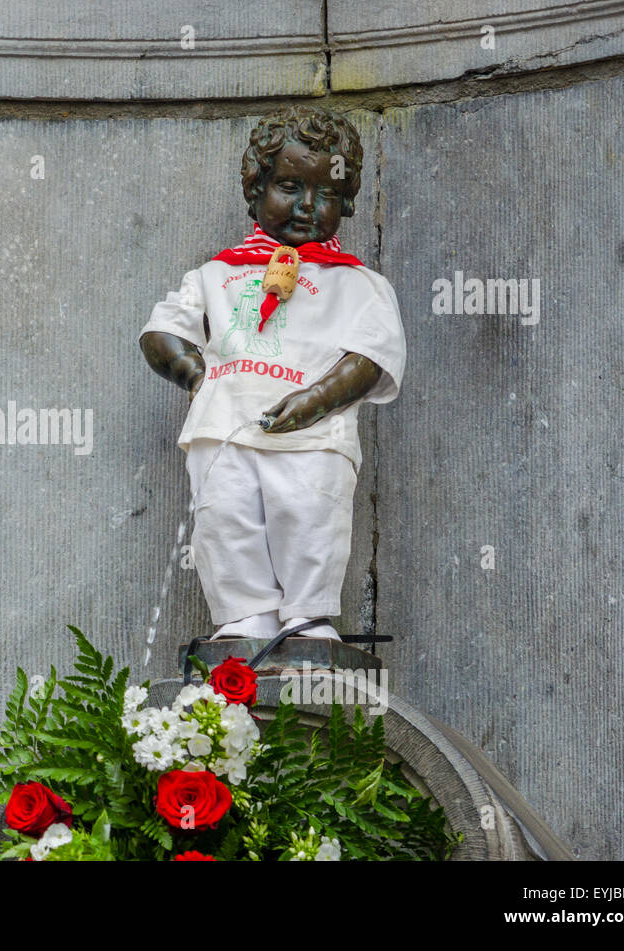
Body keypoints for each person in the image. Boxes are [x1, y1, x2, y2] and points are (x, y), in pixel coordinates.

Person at [139, 106, 406, 641]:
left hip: (314, 434)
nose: (307, 206)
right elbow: (161, 331)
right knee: (224, 518)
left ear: (347, 200)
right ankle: (244, 613)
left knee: (312, 517)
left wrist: (318, 398)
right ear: (255, 190)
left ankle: (307, 613)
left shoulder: (360, 286)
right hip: (225, 429)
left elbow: (371, 356)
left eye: (326, 193)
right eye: (288, 186)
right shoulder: (218, 274)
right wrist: (196, 377)